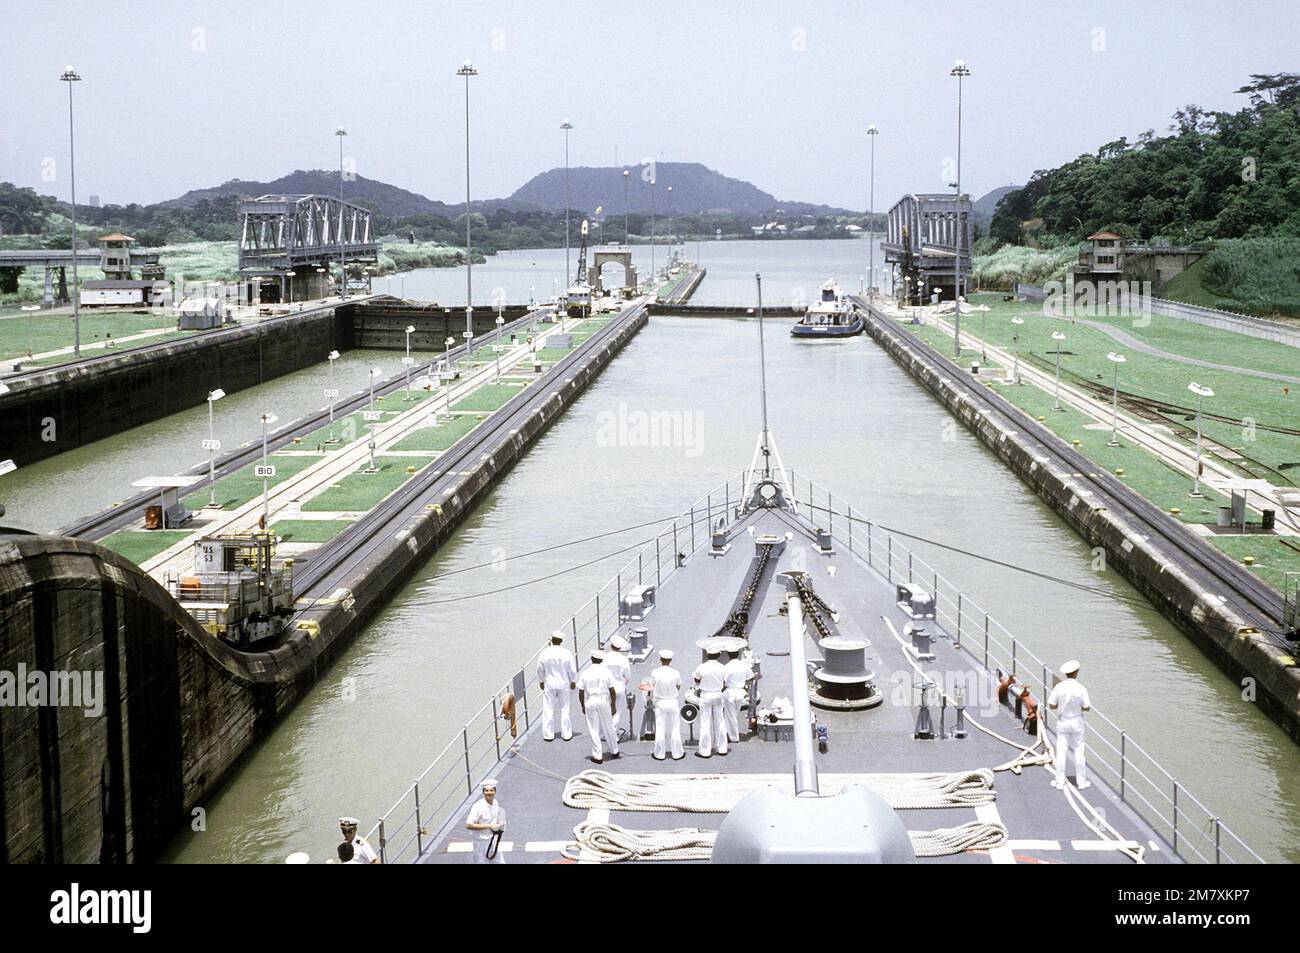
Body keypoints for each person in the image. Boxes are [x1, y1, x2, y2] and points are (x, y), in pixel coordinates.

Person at [1047, 659, 1092, 790]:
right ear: (1076, 673)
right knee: (1079, 751)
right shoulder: (1081, 688)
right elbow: (1087, 707)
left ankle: (1059, 782)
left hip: (1063, 721)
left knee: (1061, 751)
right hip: (1077, 721)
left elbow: (1051, 704)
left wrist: (1061, 706)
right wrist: (1078, 708)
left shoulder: (1059, 687)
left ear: (1065, 674)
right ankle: (1081, 782)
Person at [576, 650, 620, 764]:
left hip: (591, 700)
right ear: (602, 660)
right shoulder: (606, 672)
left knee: (593, 729)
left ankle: (597, 756)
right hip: (604, 700)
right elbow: (612, 690)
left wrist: (582, 705)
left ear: (592, 659)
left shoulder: (585, 673)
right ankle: (615, 751)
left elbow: (581, 691)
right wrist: (613, 704)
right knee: (608, 726)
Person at [536, 631, 577, 742]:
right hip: (564, 684)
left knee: (548, 708)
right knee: (564, 708)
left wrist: (541, 681)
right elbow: (572, 669)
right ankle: (566, 734)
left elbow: (540, 668)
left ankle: (548, 735)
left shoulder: (544, 653)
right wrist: (573, 681)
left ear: (551, 640)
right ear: (561, 641)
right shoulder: (567, 653)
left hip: (549, 684)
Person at [692, 647, 728, 758]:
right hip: (717, 694)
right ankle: (722, 748)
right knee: (720, 721)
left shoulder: (702, 667)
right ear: (718, 655)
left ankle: (705, 751)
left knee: (705, 723)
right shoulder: (723, 667)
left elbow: (697, 680)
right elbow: (725, 681)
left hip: (706, 695)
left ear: (707, 655)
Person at [650, 649, 685, 760]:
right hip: (673, 702)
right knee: (675, 728)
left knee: (660, 728)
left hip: (660, 702)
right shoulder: (675, 673)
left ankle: (659, 754)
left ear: (661, 660)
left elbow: (651, 686)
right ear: (670, 660)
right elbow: (678, 685)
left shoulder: (655, 672)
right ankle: (677, 753)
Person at [465, 779, 506, 864]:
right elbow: (468, 825)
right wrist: (490, 826)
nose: (489, 793)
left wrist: (499, 824)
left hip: (493, 839)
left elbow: (494, 817)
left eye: (491, 790)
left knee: (500, 862)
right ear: (483, 792)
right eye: (487, 791)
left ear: (495, 791)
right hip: (481, 843)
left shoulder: (495, 803)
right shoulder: (478, 807)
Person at [721, 649, 754, 744]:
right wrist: (746, 687)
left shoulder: (726, 667)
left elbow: (723, 681)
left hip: (730, 692)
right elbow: (751, 677)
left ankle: (733, 737)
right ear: (738, 654)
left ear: (728, 655)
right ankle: (729, 732)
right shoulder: (744, 666)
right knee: (733, 715)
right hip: (740, 692)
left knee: (730, 716)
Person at [605, 635, 633, 737]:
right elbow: (628, 676)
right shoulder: (623, 659)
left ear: (611, 646)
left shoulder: (605, 658)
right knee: (617, 711)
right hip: (619, 688)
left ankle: (606, 733)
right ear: (620, 648)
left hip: (607, 688)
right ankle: (613, 733)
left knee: (607, 710)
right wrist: (623, 684)